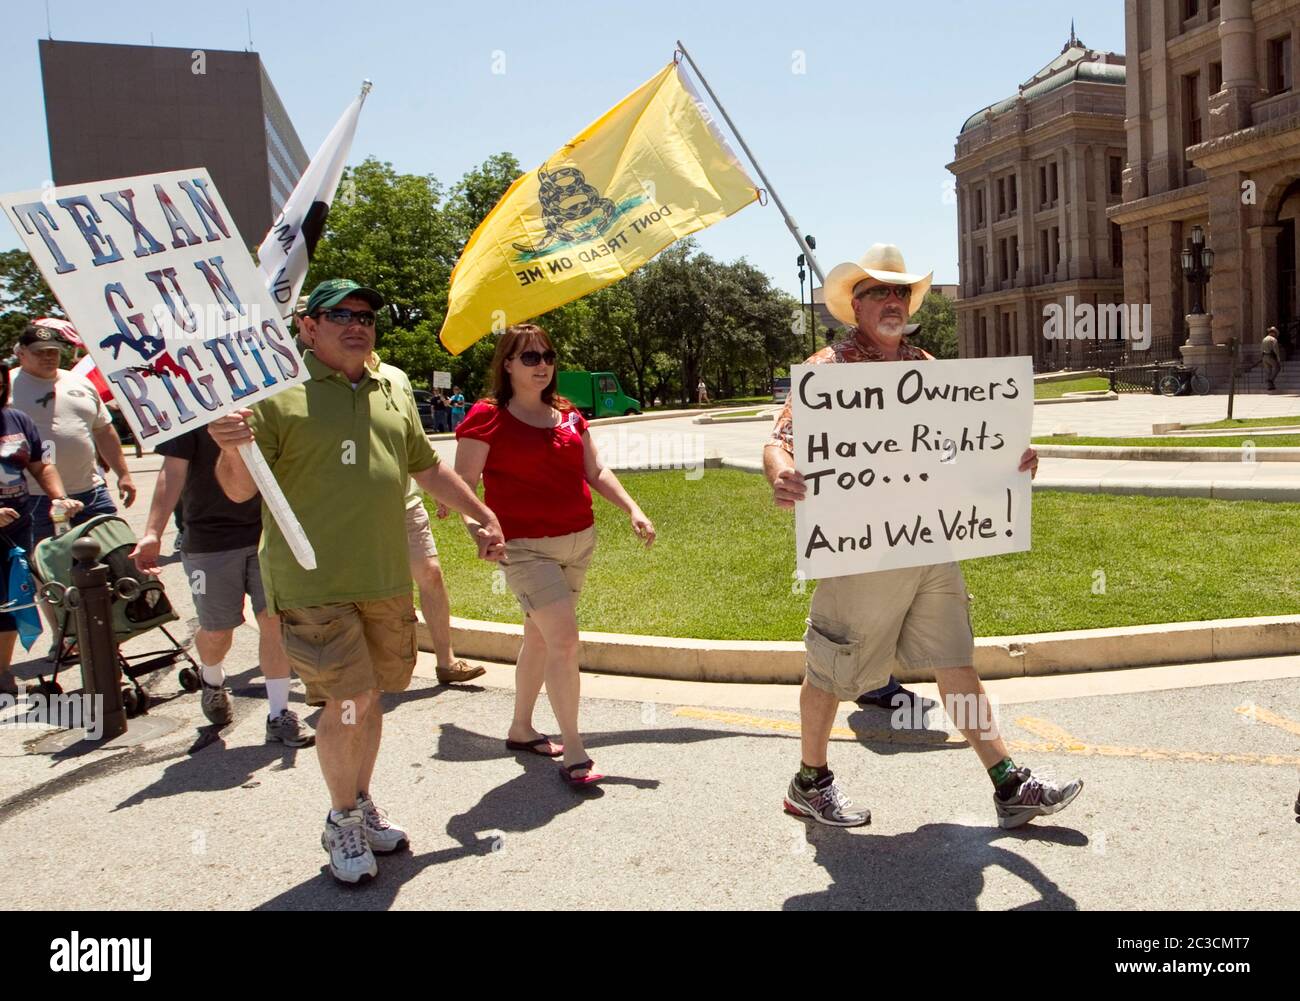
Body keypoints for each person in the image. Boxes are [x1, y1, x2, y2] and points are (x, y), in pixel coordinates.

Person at [764, 244, 1083, 830]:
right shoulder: (828, 370)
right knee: (831, 668)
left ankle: (1009, 783)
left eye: (899, 292)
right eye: (877, 291)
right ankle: (809, 782)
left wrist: (1006, 461)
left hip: (930, 541)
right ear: (854, 306)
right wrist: (781, 472)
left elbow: (958, 446)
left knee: (955, 661)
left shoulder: (927, 365)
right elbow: (779, 438)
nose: (891, 300)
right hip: (860, 544)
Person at [209, 279, 505, 886]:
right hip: (312, 582)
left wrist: (480, 514)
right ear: (307, 327)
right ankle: (341, 818)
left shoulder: (392, 384)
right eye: (339, 314)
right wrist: (231, 445)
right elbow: (238, 489)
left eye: (367, 314)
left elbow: (424, 466)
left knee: (369, 699)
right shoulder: (271, 392)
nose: (357, 323)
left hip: (383, 576)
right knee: (345, 702)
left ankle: (361, 802)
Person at [454, 323, 655, 787]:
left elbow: (595, 469)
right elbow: (464, 487)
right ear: (507, 364)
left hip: (578, 541)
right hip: (525, 549)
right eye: (529, 357)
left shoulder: (566, 414)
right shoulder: (486, 418)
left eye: (547, 356)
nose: (542, 364)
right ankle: (576, 751)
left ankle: (521, 729)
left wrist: (632, 508)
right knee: (563, 641)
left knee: (541, 639)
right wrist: (478, 529)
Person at [129, 426, 313, 745]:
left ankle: (279, 713)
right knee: (217, 631)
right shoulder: (192, 411)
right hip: (209, 538)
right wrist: (153, 532)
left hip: (267, 533)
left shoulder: (269, 399)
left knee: (274, 620)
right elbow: (171, 472)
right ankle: (212, 678)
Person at [369, 354, 484, 685]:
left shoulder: (396, 377)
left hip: (404, 504)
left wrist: (437, 489)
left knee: (431, 573)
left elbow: (415, 444)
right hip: (358, 514)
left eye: (366, 320)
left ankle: (445, 661)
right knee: (379, 592)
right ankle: (374, 667)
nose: (359, 328)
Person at [9, 324, 135, 544]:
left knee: (116, 556)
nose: (48, 357)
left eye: (53, 351)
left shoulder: (81, 382)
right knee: (48, 568)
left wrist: (123, 474)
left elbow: (103, 430)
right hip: (35, 498)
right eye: (40, 352)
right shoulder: (7, 386)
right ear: (21, 353)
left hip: (90, 491)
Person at [0, 364, 82, 698]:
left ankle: (2, 672)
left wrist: (60, 498)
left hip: (15, 527)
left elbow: (41, 464)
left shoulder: (16, 419)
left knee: (12, 602)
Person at [1261, 326, 1284, 392]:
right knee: (1277, 368)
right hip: (1270, 356)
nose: (1276, 335)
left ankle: (1270, 386)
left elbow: (1261, 349)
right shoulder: (1273, 340)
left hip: (1264, 357)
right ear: (1273, 333)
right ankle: (1270, 380)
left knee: (1268, 371)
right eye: (1275, 333)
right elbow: (1276, 350)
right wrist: (1278, 358)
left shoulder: (1264, 339)